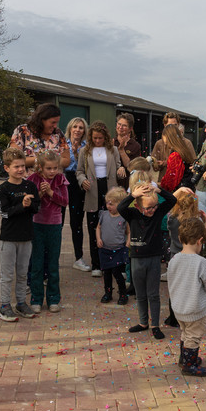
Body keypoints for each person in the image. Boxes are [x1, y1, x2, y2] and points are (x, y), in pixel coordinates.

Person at [119, 182, 179, 338]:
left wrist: (158, 190)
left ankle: (155, 325)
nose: (152, 210)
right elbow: (120, 208)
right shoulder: (132, 214)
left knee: (153, 294)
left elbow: (172, 200)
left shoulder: (158, 213)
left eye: (154, 206)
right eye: (148, 208)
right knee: (140, 294)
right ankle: (143, 322)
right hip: (137, 259)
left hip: (154, 258)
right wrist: (133, 195)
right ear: (138, 206)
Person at [167, 216, 206, 377]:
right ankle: (189, 366)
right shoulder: (200, 262)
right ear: (200, 240)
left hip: (179, 308)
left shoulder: (174, 259)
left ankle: (185, 358)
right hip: (195, 308)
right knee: (193, 337)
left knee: (185, 332)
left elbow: (170, 281)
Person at [0, 147, 37, 323]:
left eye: (22, 166)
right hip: (8, 238)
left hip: (26, 237)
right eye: (16, 166)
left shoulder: (30, 185)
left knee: (22, 274)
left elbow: (37, 208)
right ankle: (4, 305)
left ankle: (21, 303)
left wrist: (30, 204)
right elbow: (4, 212)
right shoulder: (2, 189)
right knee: (7, 275)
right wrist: (22, 205)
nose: (20, 170)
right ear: (6, 168)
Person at [80, 121, 125, 278]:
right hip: (92, 190)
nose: (97, 141)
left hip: (109, 189)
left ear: (105, 137)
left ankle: (116, 263)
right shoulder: (84, 151)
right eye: (94, 138)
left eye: (100, 138)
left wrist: (120, 169)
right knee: (94, 229)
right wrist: (82, 180)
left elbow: (119, 166)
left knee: (114, 227)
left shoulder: (112, 150)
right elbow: (79, 171)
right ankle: (96, 264)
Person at [27, 149, 68, 313]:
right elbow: (29, 201)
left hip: (54, 225)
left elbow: (65, 202)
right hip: (37, 224)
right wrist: (39, 193)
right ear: (40, 168)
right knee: (36, 263)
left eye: (55, 168)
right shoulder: (33, 179)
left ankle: (53, 298)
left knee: (52, 263)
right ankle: (36, 298)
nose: (52, 172)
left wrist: (51, 193)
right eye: (48, 168)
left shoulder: (60, 179)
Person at [63, 116, 90, 270]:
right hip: (64, 179)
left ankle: (78, 257)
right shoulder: (62, 144)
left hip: (79, 182)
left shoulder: (87, 146)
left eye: (81, 127)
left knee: (76, 221)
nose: (78, 130)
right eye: (75, 127)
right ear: (70, 129)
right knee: (57, 221)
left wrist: (78, 152)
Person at [97, 186, 130, 304]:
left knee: (117, 272)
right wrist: (98, 238)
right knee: (106, 273)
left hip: (118, 249)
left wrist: (128, 242)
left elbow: (128, 231)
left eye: (112, 204)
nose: (108, 206)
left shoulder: (123, 217)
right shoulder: (104, 215)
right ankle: (108, 293)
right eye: (107, 203)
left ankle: (122, 293)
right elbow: (98, 227)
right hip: (105, 249)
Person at [9, 102, 64, 169]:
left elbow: (66, 160)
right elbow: (14, 160)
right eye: (53, 122)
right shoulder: (22, 131)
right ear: (41, 120)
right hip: (28, 178)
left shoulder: (58, 133)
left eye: (57, 122)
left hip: (54, 179)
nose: (55, 126)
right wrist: (43, 160)